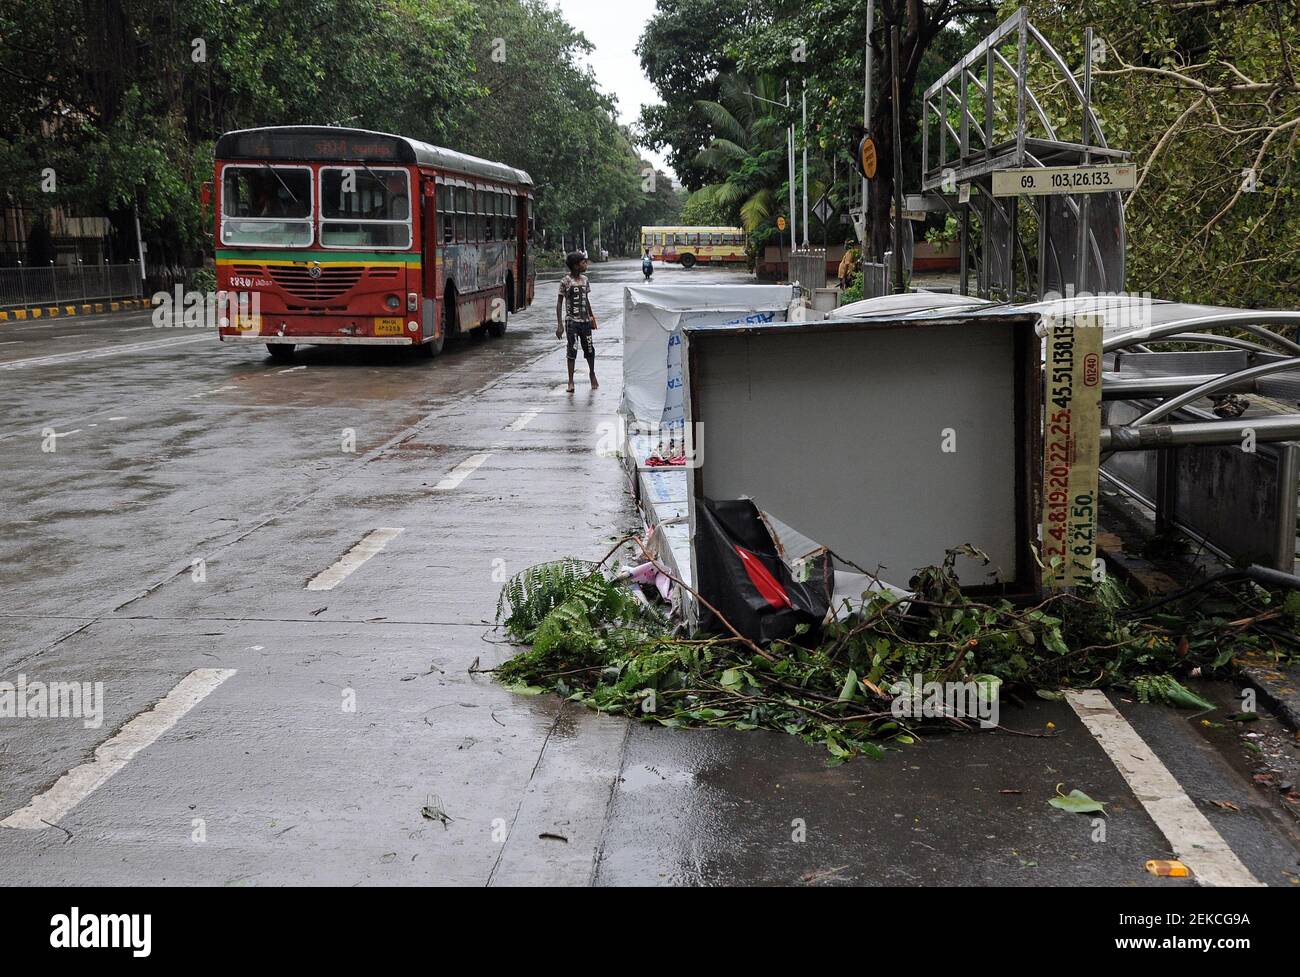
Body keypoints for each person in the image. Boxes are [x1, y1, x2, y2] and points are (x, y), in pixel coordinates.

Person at [556, 251, 598, 393]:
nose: (586, 264)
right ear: (575, 266)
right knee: (572, 349)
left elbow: (587, 301)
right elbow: (559, 303)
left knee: (590, 349)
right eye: (583, 262)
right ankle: (571, 381)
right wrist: (560, 324)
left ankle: (592, 373)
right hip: (572, 322)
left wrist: (592, 317)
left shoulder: (585, 280)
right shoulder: (565, 281)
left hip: (585, 321)